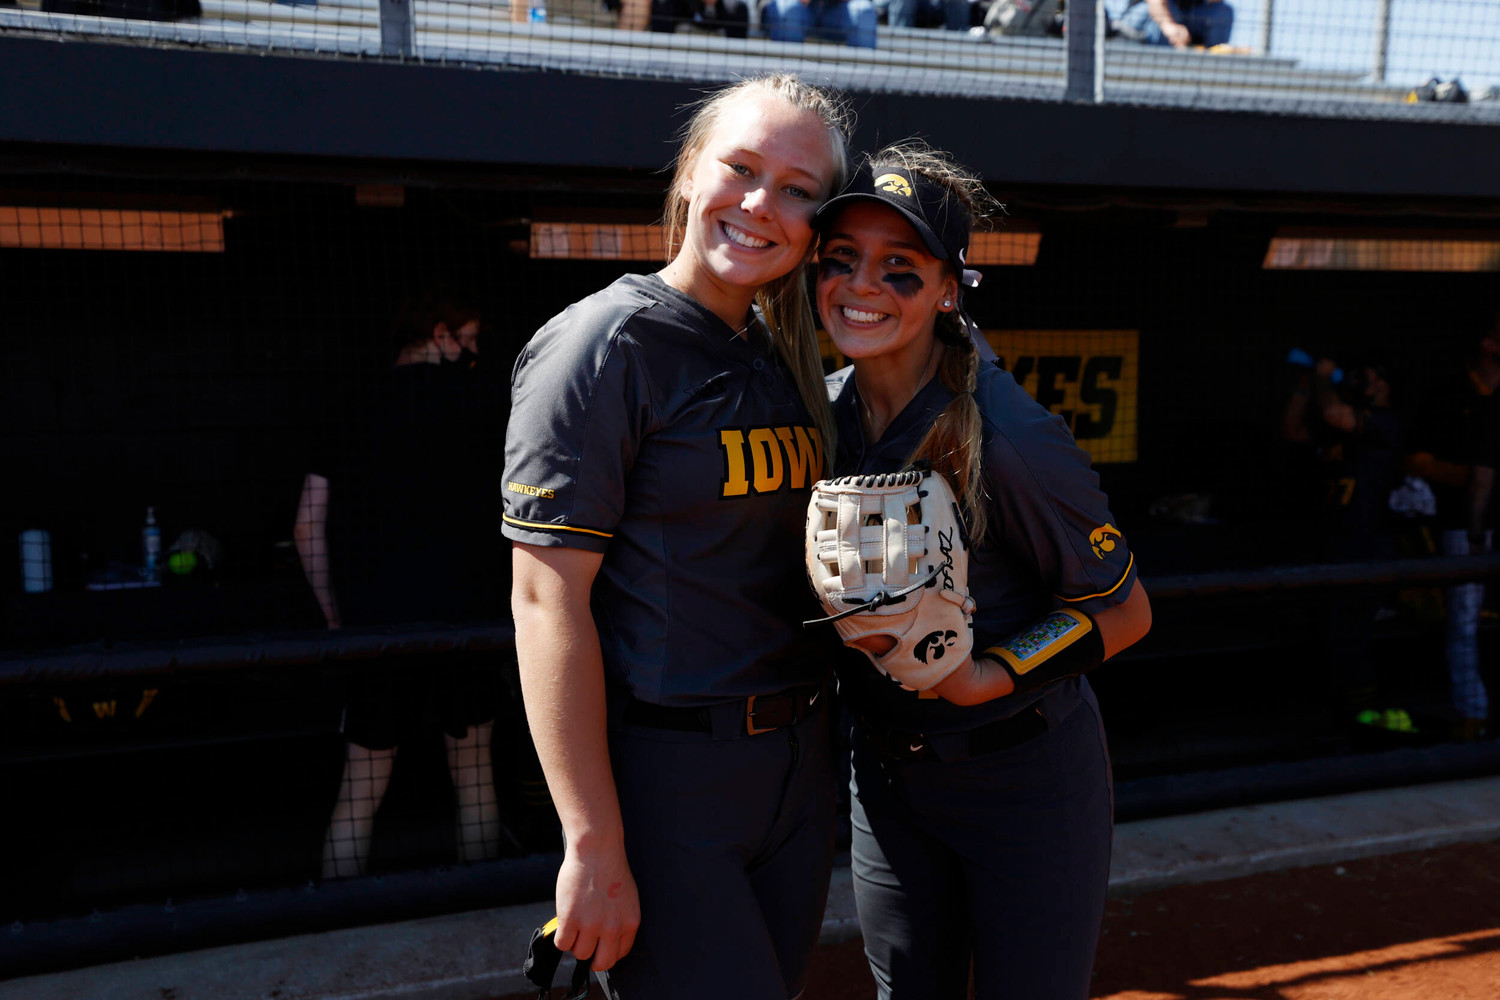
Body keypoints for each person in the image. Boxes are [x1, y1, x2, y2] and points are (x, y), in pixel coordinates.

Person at [503, 75, 852, 999]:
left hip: (796, 767)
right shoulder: (601, 347)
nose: (759, 204)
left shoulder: (781, 355)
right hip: (671, 779)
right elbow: (544, 601)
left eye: (796, 188)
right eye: (740, 168)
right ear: (690, 172)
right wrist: (592, 842)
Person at [812, 143, 1152, 1000]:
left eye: (899, 269)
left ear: (946, 290)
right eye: (842, 260)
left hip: (1025, 779)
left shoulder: (1010, 436)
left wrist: (988, 675)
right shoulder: (818, 414)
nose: (861, 287)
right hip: (886, 778)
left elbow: (1123, 611)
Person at [294, 296, 508, 879]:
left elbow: (306, 523)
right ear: (439, 334)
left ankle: (339, 921)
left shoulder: (348, 408)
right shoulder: (481, 405)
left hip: (376, 627)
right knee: (474, 775)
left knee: (361, 784)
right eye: (467, 339)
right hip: (468, 622)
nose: (473, 353)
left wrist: (337, 618)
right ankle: (481, 914)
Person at [1281, 355, 1409, 733]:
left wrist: (1322, 378)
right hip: (1333, 547)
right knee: (1332, 637)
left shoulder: (1386, 423)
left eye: (1370, 376)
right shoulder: (1341, 431)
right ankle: (1346, 721)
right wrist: (1306, 384)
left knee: (1354, 637)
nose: (1363, 381)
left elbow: (1336, 412)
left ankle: (1366, 722)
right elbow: (1291, 429)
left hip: (1368, 548)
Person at [1407, 317, 1500, 742]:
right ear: (1487, 343)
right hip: (1464, 526)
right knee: (1463, 620)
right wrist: (1472, 479)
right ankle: (1472, 714)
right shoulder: (1450, 396)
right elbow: (1416, 460)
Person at [1115, 0, 1233, 48]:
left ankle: (1212, 63)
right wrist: (1168, 25)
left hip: (1185, 18)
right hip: (1144, 21)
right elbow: (1156, 3)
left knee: (1223, 12)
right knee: (1171, 10)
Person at [763, 0, 879, 48]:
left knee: (864, 11)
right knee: (788, 8)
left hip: (837, 10)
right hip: (798, 10)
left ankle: (862, 85)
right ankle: (784, 81)